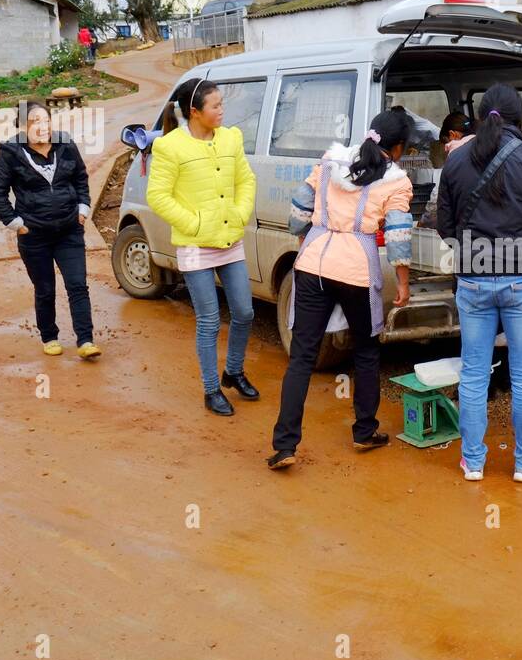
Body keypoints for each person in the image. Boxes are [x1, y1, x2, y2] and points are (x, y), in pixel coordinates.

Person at [269, 111, 415, 470]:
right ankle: (365, 431)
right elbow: (397, 236)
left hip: (312, 263)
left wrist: (306, 235)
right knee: (366, 350)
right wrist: (403, 282)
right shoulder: (396, 182)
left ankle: (285, 445)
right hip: (356, 269)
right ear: (397, 148)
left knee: (302, 355)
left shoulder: (331, 160)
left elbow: (300, 206)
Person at [437, 84, 522, 483]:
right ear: (519, 117)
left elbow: (444, 226)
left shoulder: (455, 163)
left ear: (481, 117)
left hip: (472, 277)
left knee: (474, 373)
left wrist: (474, 250)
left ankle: (472, 461)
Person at [146, 78, 258, 416]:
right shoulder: (170, 146)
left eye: (222, 104)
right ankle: (211, 390)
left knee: (245, 311)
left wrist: (239, 214)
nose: (222, 111)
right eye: (215, 106)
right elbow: (157, 196)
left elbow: (246, 180)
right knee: (209, 320)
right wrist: (193, 224)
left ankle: (233, 371)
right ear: (194, 112)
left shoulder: (231, 137)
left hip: (229, 237)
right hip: (195, 245)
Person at [0, 100, 100, 360]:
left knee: (77, 285)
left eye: (46, 121)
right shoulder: (11, 153)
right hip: (34, 235)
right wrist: (16, 223)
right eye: (35, 122)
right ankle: (49, 336)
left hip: (69, 230)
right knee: (45, 288)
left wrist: (83, 208)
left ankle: (85, 340)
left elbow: (80, 178)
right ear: (24, 127)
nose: (43, 127)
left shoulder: (65, 145)